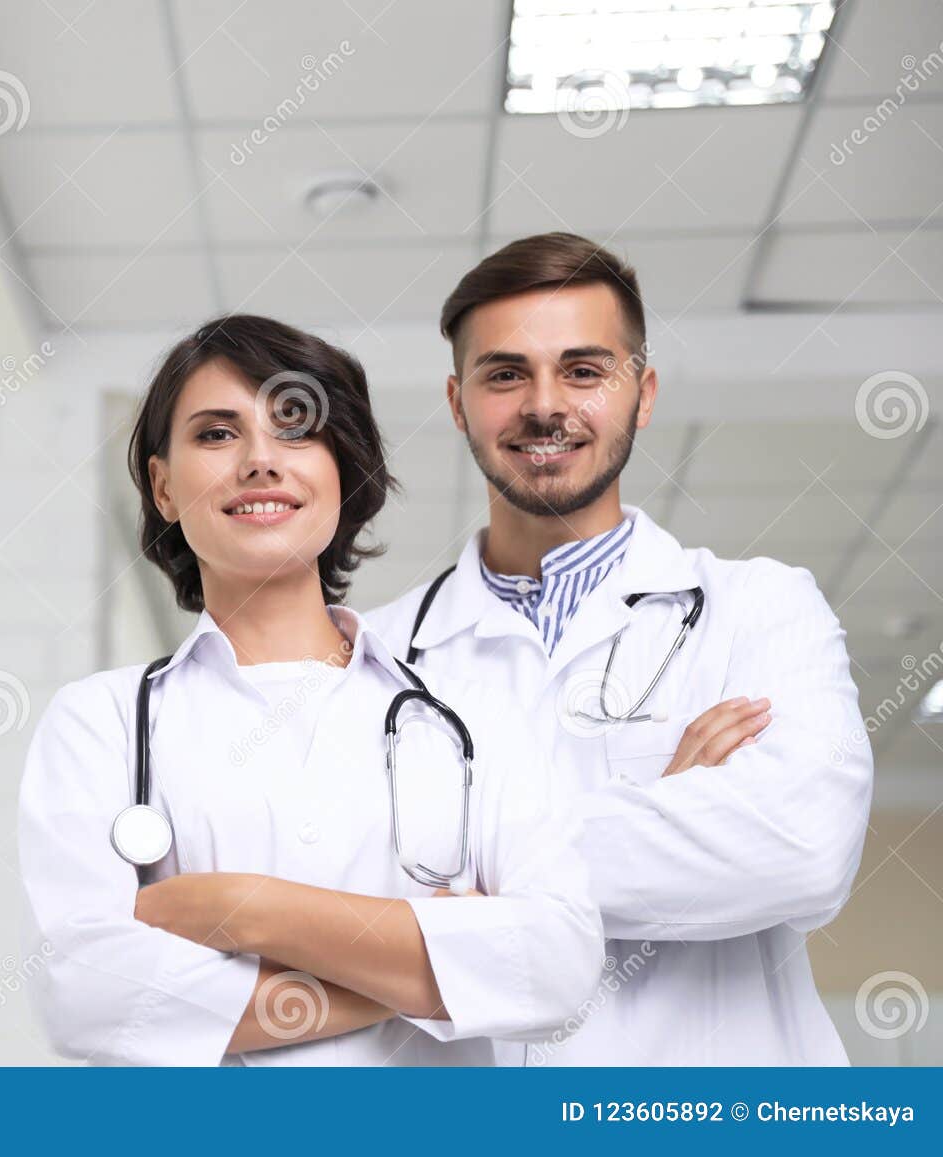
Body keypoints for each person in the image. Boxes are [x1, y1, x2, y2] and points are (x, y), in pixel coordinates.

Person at [15, 313, 608, 1066]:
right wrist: (434, 968)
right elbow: (85, 993)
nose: (261, 460)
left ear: (343, 469)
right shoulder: (100, 722)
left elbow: (558, 967)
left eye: (295, 426)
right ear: (163, 487)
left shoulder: (475, 719)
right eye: (216, 433)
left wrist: (247, 910)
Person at [368, 232, 874, 1065]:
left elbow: (802, 851)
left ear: (641, 392)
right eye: (505, 373)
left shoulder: (760, 607)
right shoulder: (374, 656)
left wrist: (468, 873)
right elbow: (339, 897)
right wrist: (666, 804)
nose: (543, 405)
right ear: (458, 403)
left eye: (583, 369)